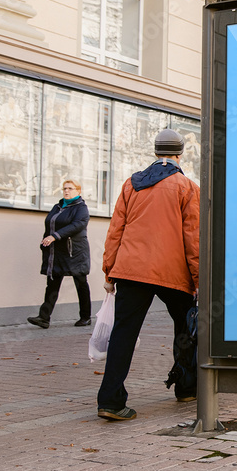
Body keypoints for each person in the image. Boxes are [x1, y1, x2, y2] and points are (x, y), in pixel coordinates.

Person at [96, 129, 200, 421]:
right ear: (180, 154)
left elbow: (116, 229)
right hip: (173, 272)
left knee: (123, 333)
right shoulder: (187, 187)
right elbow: (194, 238)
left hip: (131, 270)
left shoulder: (131, 184)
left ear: (156, 153)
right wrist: (198, 279)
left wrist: (109, 271)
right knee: (186, 329)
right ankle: (186, 387)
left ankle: (111, 401)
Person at [27, 179, 92, 328]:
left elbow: (78, 225)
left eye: (70, 188)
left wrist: (55, 236)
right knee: (52, 283)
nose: (67, 191)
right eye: (64, 188)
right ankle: (44, 318)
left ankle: (86, 317)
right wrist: (45, 242)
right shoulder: (57, 206)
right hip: (57, 252)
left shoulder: (81, 208)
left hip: (74, 251)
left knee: (81, 283)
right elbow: (50, 225)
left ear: (78, 191)